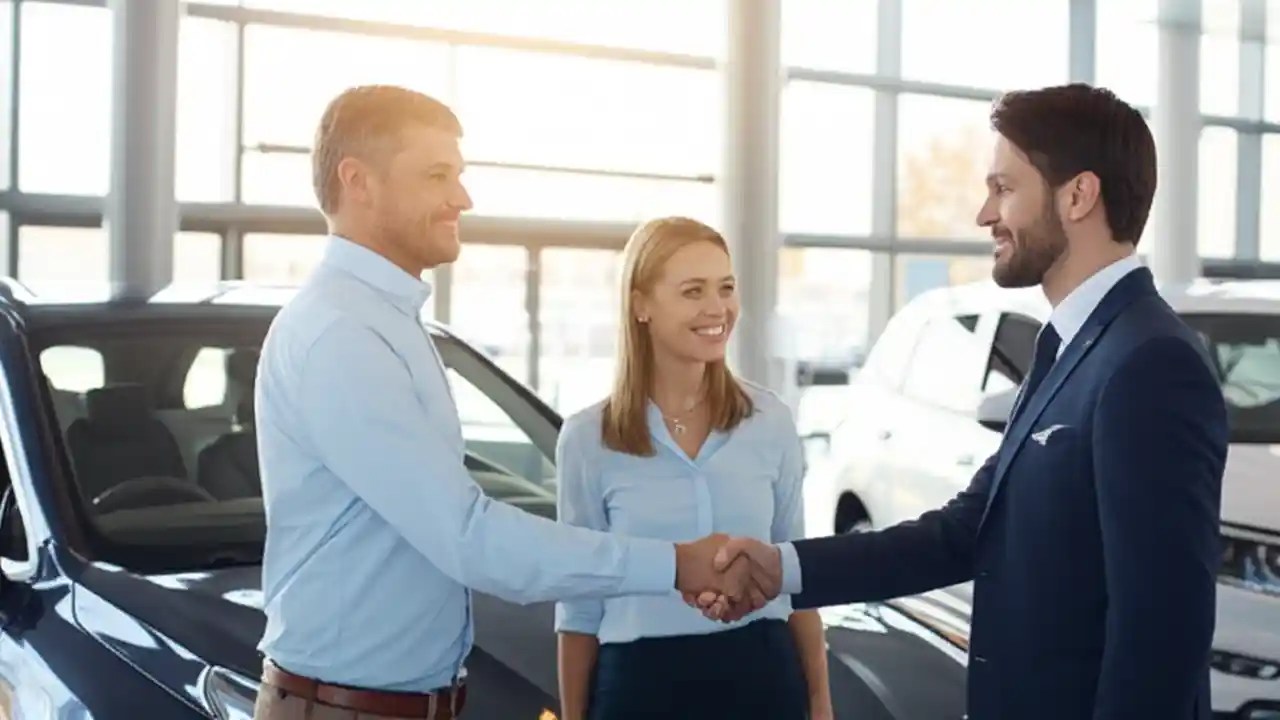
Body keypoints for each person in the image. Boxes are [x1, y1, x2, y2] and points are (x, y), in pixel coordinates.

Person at [700, 83, 1229, 720]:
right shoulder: (1068, 346)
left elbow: (1161, 632)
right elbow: (963, 533)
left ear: (1079, 195)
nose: (984, 214)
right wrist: (778, 568)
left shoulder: (1149, 363)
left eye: (1004, 188)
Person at [251, 85, 751, 720]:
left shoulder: (389, 322)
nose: (462, 198)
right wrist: (676, 564)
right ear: (358, 182)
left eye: (458, 176)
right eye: (437, 176)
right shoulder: (342, 336)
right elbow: (468, 536)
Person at [553, 217, 832, 720]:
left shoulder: (770, 421)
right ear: (641, 305)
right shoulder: (587, 439)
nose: (717, 308)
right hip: (639, 685)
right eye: (693, 291)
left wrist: (820, 704)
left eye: (726, 288)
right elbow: (578, 606)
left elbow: (798, 574)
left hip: (763, 676)